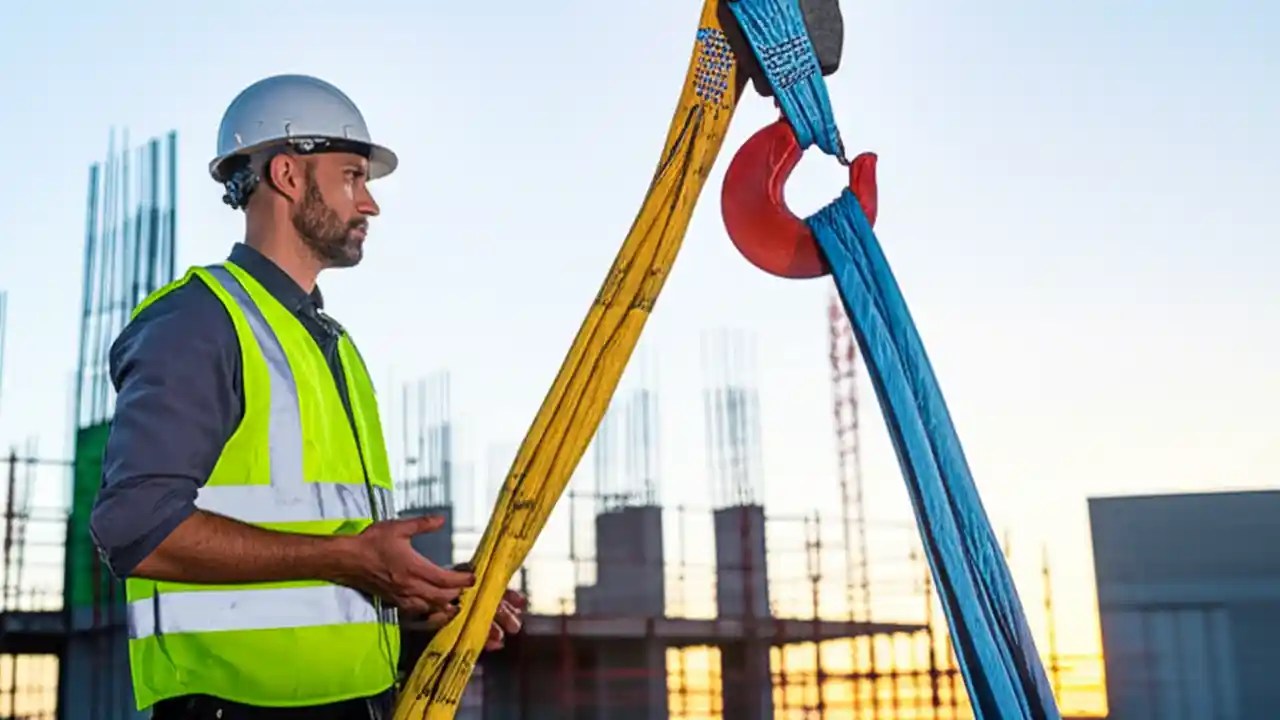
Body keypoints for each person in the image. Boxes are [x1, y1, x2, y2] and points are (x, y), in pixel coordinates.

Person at [89, 74, 524, 720]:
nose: (370, 203)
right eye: (352, 176)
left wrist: (410, 602)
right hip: (233, 708)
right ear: (289, 176)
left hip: (351, 703)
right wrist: (350, 560)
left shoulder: (331, 344)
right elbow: (135, 530)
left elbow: (312, 577)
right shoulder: (199, 323)